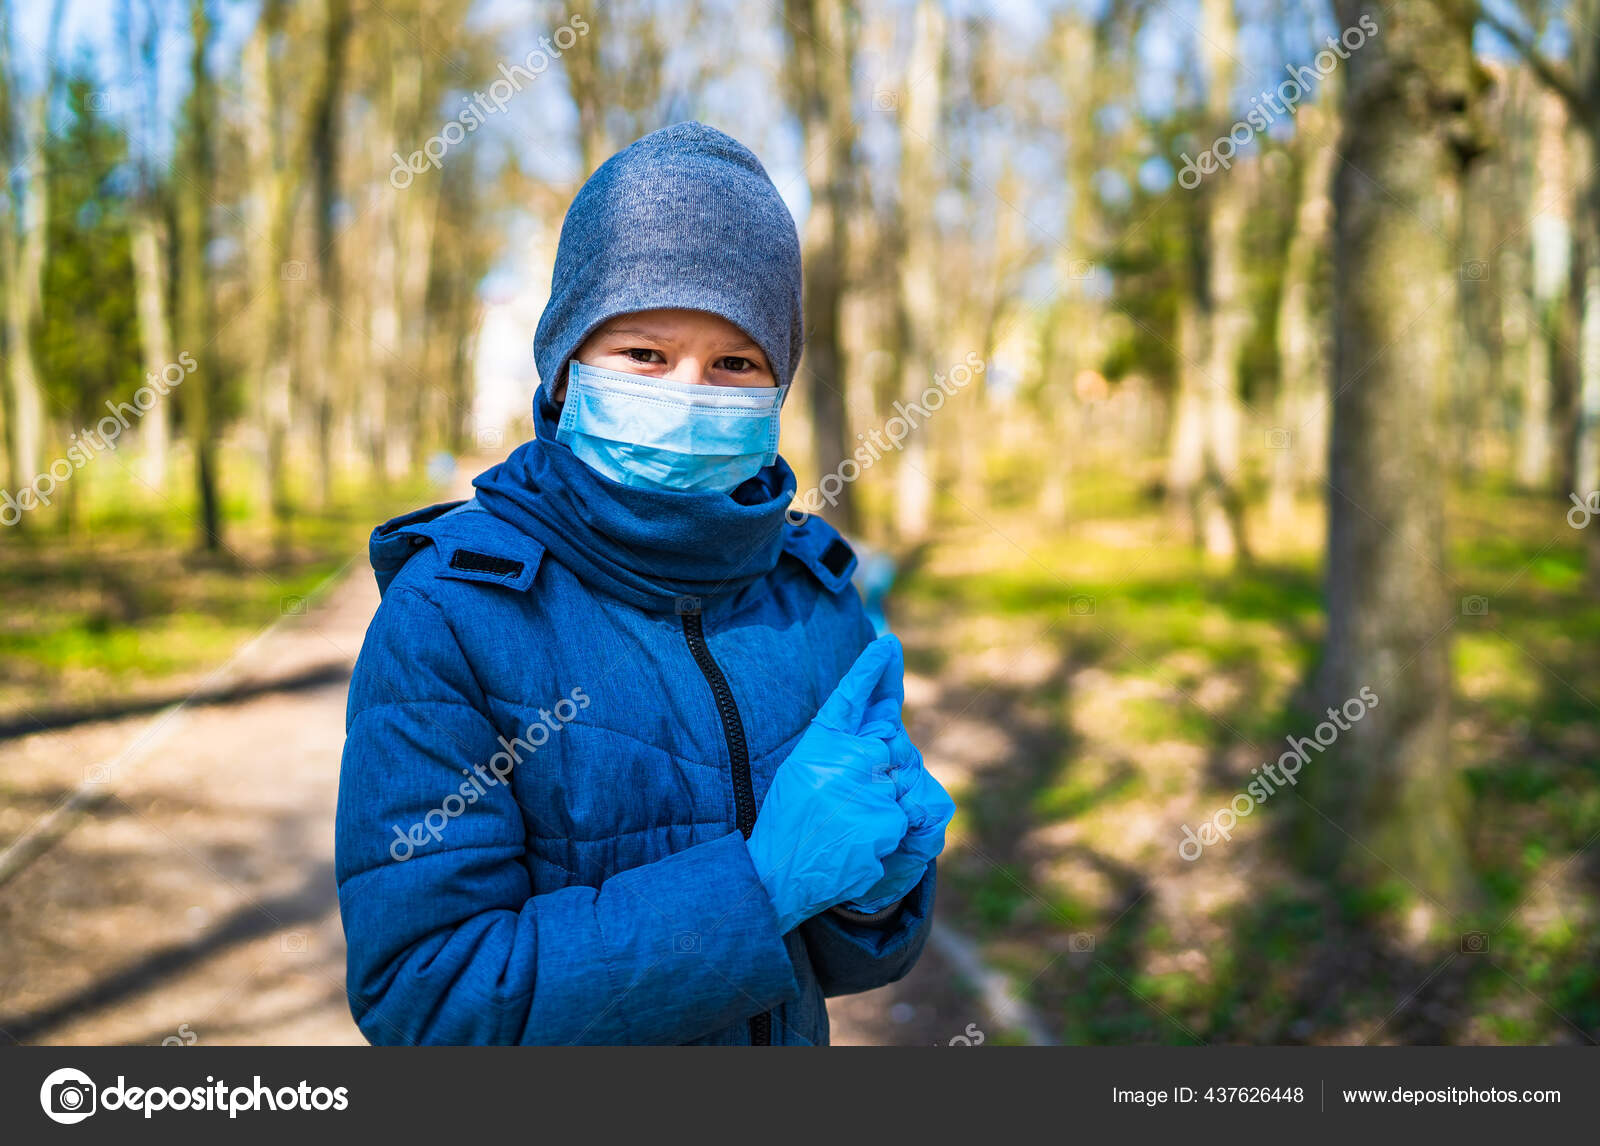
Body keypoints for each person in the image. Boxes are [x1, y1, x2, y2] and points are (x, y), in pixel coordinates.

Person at [334, 122, 954, 1045]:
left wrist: (873, 897)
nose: (691, 394)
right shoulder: (450, 619)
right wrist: (760, 887)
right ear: (567, 367)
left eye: (735, 363)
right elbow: (430, 1000)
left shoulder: (816, 600)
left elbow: (839, 966)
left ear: (777, 387)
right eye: (645, 355)